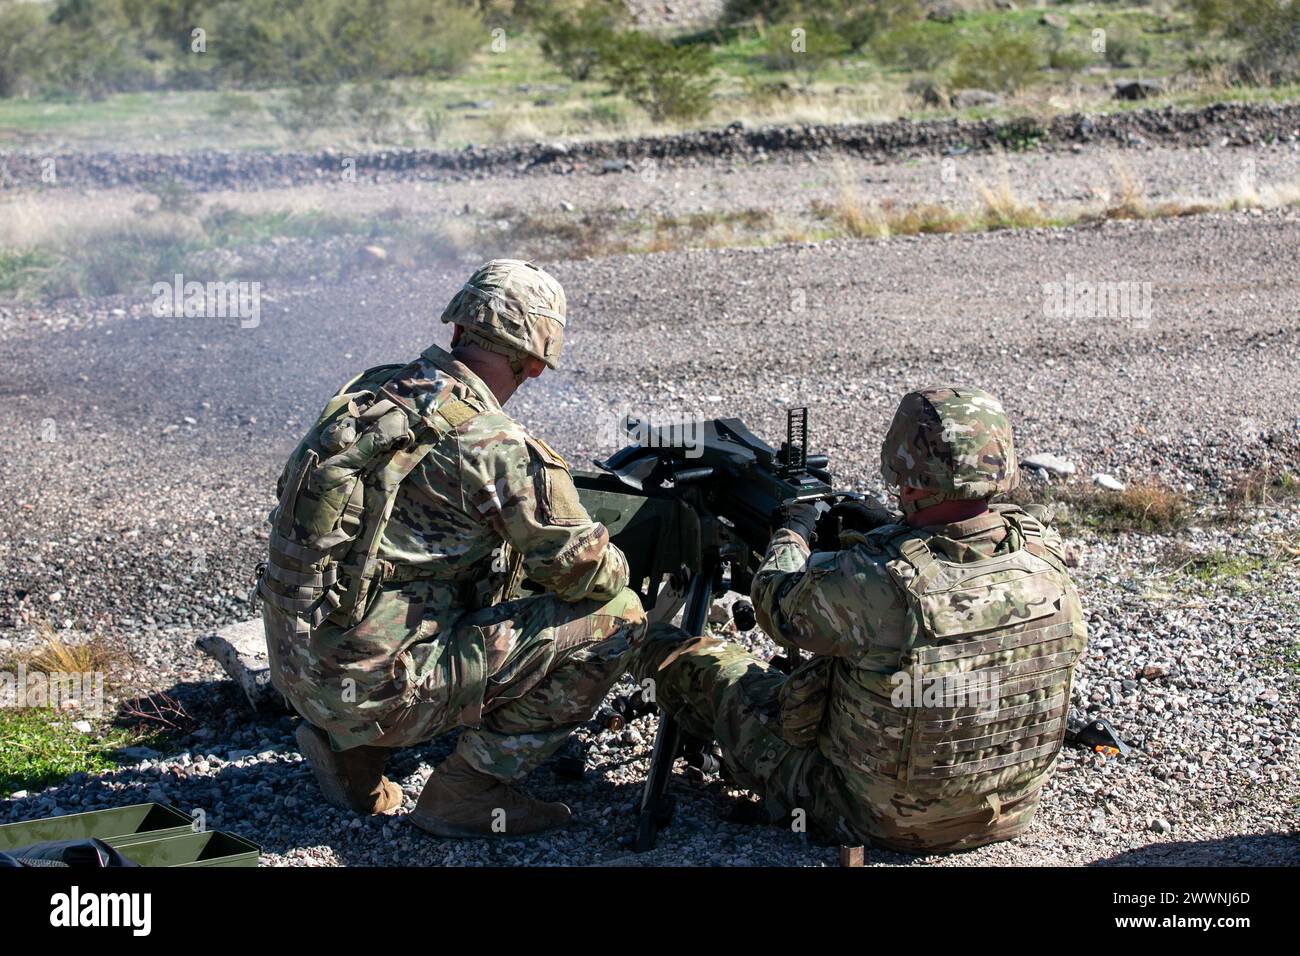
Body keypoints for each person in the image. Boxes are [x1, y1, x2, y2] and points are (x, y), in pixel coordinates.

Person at [260, 259, 646, 837]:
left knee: (455, 571)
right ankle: (467, 792)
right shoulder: (493, 443)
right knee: (619, 617)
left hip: (296, 667)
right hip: (373, 687)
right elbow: (586, 574)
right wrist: (618, 557)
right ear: (535, 363)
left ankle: (351, 752)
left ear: (459, 329)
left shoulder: (370, 391)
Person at [633, 385, 1088, 852]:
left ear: (908, 476)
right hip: (1010, 813)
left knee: (698, 662)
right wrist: (886, 529)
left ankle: (631, 649)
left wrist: (793, 531)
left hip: (872, 819)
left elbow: (774, 602)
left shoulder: (874, 580)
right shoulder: (1044, 555)